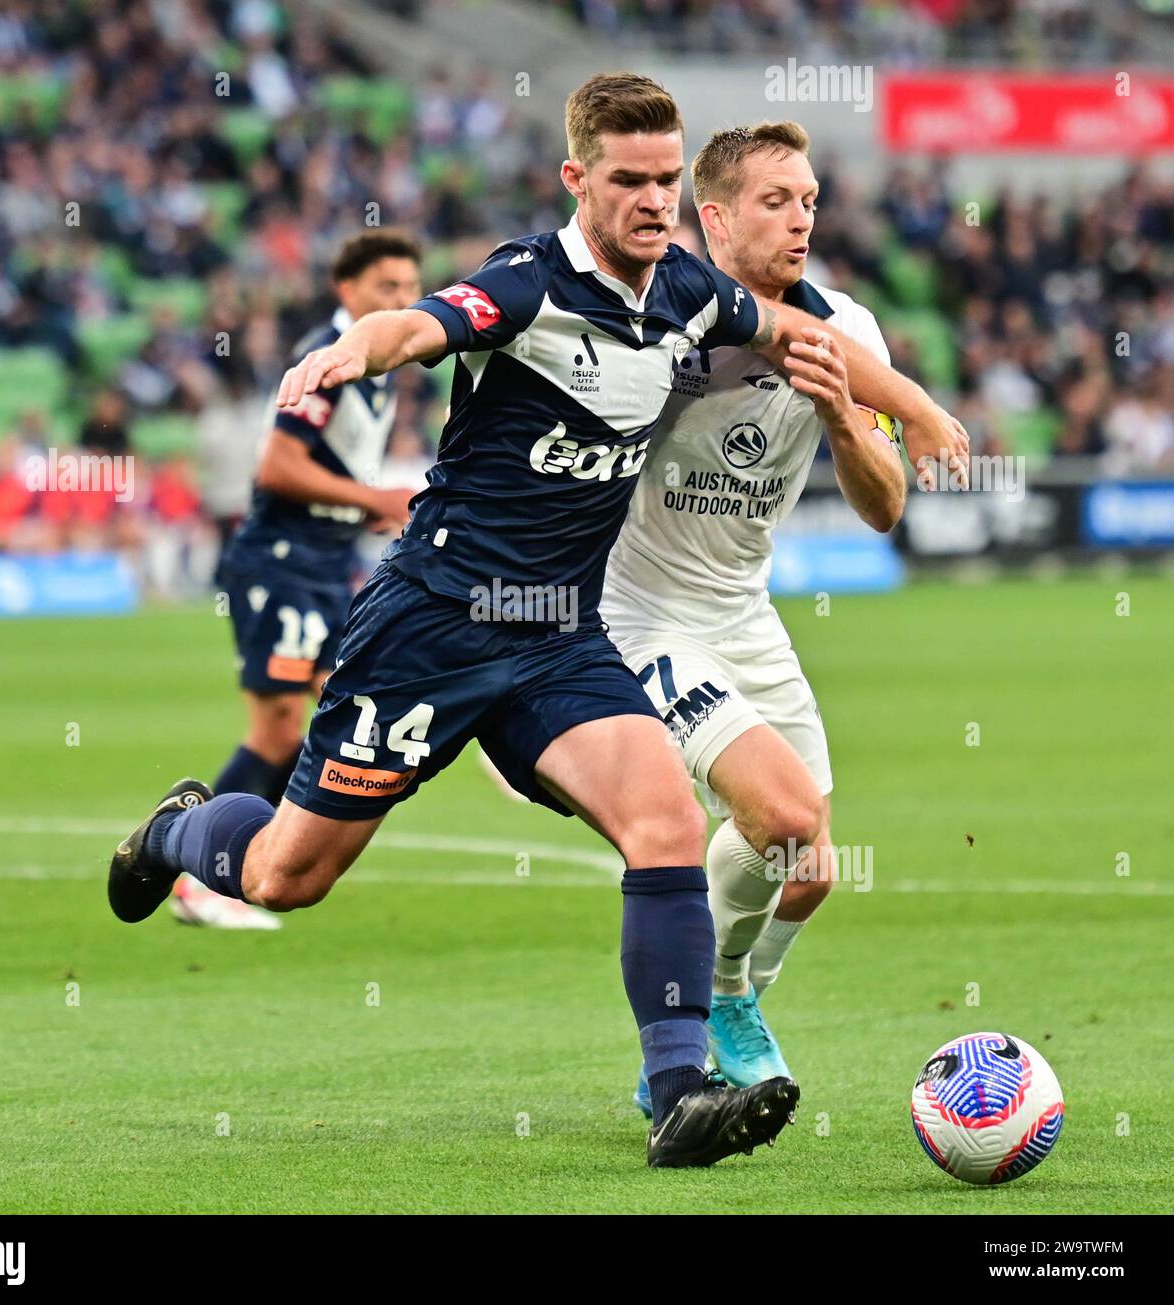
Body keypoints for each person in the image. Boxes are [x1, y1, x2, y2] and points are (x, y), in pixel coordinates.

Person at [106, 73, 967, 1167]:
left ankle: (678, 1092)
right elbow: (422, 325)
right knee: (288, 874)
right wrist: (351, 349)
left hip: (562, 634)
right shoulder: (527, 283)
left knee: (661, 824)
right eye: (630, 182)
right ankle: (180, 829)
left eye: (666, 178)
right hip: (432, 624)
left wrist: (921, 408)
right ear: (578, 179)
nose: (653, 200)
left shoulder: (691, 295)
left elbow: (809, 336)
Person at [601, 122, 921, 1114]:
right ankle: (689, 1043)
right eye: (775, 200)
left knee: (810, 867)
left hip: (741, 611)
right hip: (638, 611)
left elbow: (884, 507)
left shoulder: (847, 332)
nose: (800, 219)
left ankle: (732, 993)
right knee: (780, 816)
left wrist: (839, 418)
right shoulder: (655, 318)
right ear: (716, 217)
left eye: (811, 199)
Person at [172, 229, 423, 930]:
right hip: (281, 557)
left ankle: (255, 861)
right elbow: (277, 466)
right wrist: (376, 499)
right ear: (348, 291)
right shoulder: (326, 358)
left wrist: (360, 507)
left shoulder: (380, 368)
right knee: (280, 725)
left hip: (325, 560)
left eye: (410, 288)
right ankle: (198, 879)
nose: (403, 301)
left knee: (330, 714)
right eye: (387, 288)